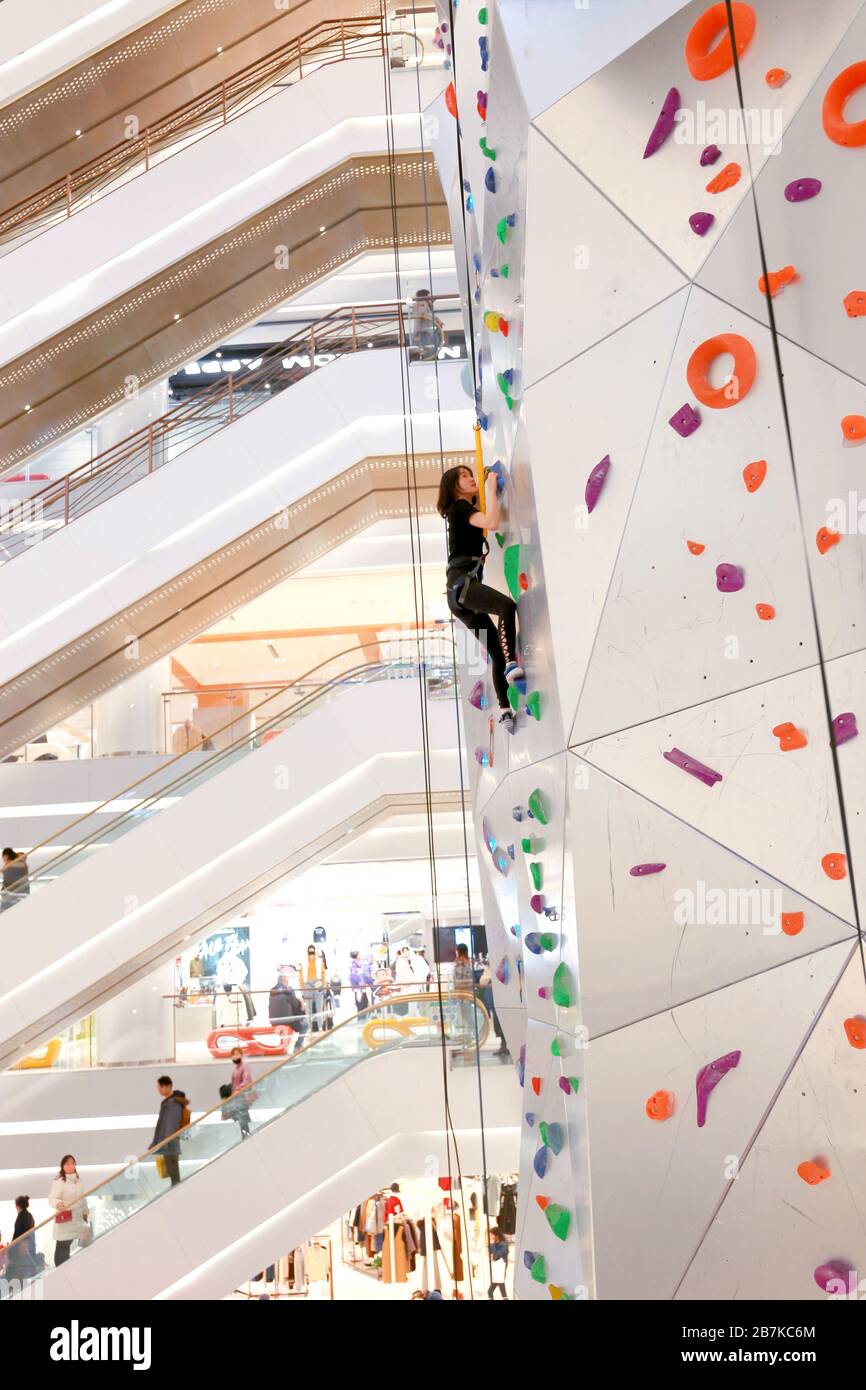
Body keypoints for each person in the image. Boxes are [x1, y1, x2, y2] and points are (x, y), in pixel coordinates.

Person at [437, 465, 523, 733]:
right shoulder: (459, 508)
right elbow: (493, 522)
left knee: (495, 649)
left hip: (458, 594)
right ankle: (511, 666)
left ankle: (505, 710)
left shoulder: (461, 513)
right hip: (464, 586)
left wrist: (488, 491)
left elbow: (488, 521)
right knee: (506, 606)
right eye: (464, 476)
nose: (471, 478)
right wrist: (490, 485)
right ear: (453, 485)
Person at [48, 1156, 88, 1266]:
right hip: (66, 1219)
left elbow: (83, 1198)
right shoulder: (59, 1181)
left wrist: (86, 1212)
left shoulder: (79, 1181)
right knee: (62, 1248)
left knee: (82, 1244)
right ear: (63, 1166)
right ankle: (60, 1271)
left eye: (72, 1163)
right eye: (67, 1164)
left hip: (78, 1219)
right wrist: (58, 1203)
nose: (70, 1166)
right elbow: (52, 1198)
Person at [150, 1077, 189, 1186]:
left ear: (167, 1086)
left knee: (173, 1172)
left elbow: (171, 1124)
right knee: (172, 1171)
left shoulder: (173, 1103)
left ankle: (176, 1190)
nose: (158, 1090)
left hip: (170, 1143)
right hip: (169, 1142)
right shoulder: (169, 1102)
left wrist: (164, 1142)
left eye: (159, 1087)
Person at [4, 1196, 41, 1284]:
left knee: (15, 1275)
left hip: (21, 1250)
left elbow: (18, 1234)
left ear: (17, 1206)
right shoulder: (29, 1215)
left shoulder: (22, 1216)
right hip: (27, 1250)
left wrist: (10, 1249)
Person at [268, 973, 307, 1052]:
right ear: (284, 981)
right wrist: (301, 1001)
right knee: (305, 1024)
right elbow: (295, 1004)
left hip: (273, 1021)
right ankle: (298, 1046)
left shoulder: (272, 990)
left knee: (295, 1018)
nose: (288, 983)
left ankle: (284, 1045)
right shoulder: (287, 990)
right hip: (286, 1021)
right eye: (287, 981)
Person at [301, 944, 327, 1033]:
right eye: (310, 952)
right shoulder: (304, 962)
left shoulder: (320, 961)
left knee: (319, 1006)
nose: (311, 954)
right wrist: (302, 988)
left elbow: (323, 974)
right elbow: (300, 976)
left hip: (318, 983)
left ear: (315, 952)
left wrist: (323, 986)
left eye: (313, 952)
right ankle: (309, 1028)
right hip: (307, 983)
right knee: (308, 1008)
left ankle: (320, 1027)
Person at [452, 944, 476, 1040]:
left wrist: (455, 987)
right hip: (468, 992)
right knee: (467, 1013)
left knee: (465, 1014)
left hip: (462, 992)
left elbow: (459, 978)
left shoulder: (460, 962)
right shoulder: (467, 962)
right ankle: (471, 1033)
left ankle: (471, 1034)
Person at [488, 1225, 508, 1299]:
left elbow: (496, 1255)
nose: (491, 1236)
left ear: (496, 1235)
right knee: (491, 1292)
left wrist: (491, 1245)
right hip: (497, 1272)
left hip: (500, 1272)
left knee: (492, 1292)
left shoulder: (503, 1245)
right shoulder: (496, 1244)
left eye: (492, 1234)